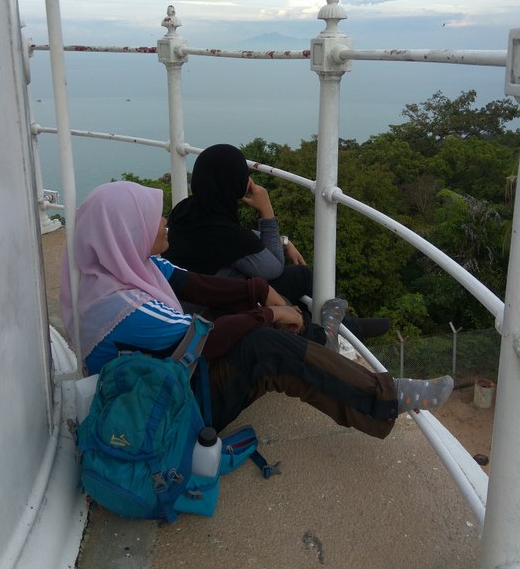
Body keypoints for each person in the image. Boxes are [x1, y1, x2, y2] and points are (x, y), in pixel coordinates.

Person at [59, 181, 453, 436]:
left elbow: (197, 284)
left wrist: (261, 291)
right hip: (163, 416)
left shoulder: (123, 266)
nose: (162, 222)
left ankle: (322, 340)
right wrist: (269, 313)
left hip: (162, 382)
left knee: (256, 322)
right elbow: (205, 340)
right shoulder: (125, 307)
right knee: (264, 346)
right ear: (125, 233)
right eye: (150, 218)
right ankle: (385, 398)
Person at [163, 143, 391, 343]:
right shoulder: (224, 232)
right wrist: (267, 212)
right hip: (216, 310)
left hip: (194, 300)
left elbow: (241, 238)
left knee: (287, 289)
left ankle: (340, 328)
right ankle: (348, 330)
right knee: (302, 275)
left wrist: (284, 241)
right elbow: (272, 267)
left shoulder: (187, 210)